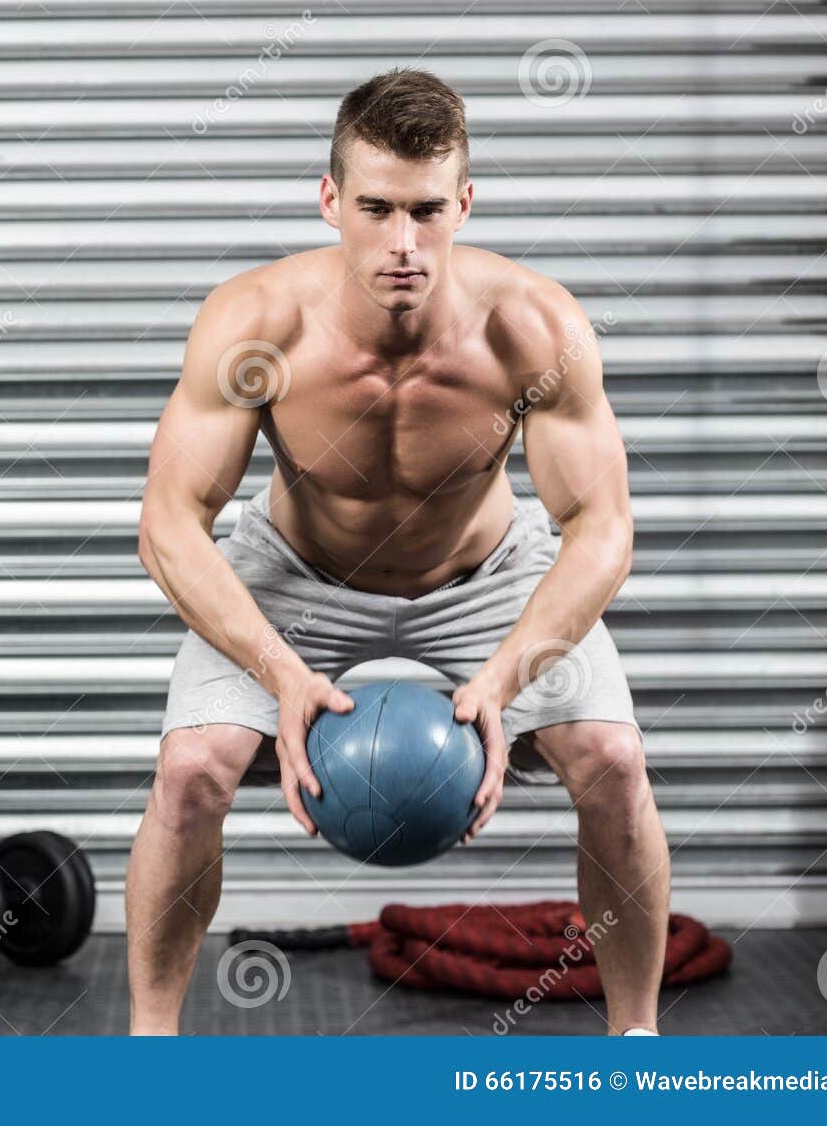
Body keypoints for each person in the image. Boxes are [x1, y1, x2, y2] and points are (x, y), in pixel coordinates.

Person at [127, 68, 669, 1035]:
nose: (404, 244)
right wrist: (280, 672)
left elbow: (602, 527)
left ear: (465, 201)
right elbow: (169, 522)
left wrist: (505, 677)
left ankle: (639, 1049)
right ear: (331, 199)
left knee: (615, 761)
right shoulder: (256, 323)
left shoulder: (532, 329)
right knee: (190, 771)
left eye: (427, 210)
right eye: (376, 208)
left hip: (486, 574)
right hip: (299, 575)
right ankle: (150, 1051)